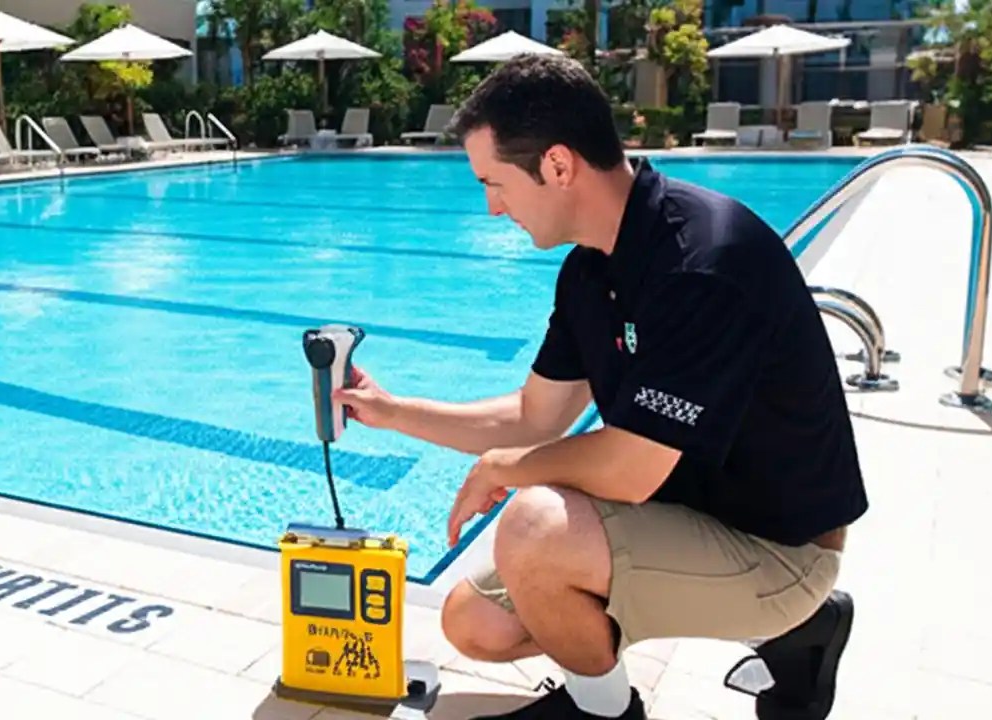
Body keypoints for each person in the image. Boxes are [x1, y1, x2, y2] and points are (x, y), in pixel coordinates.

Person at [333, 54, 866, 720]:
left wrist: (508, 470)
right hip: (687, 519)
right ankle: (798, 639)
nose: (491, 208)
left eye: (494, 182)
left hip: (781, 551)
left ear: (557, 166)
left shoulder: (701, 263)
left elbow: (631, 469)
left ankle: (607, 712)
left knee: (535, 526)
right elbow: (535, 416)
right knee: (475, 623)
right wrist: (390, 411)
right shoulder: (591, 270)